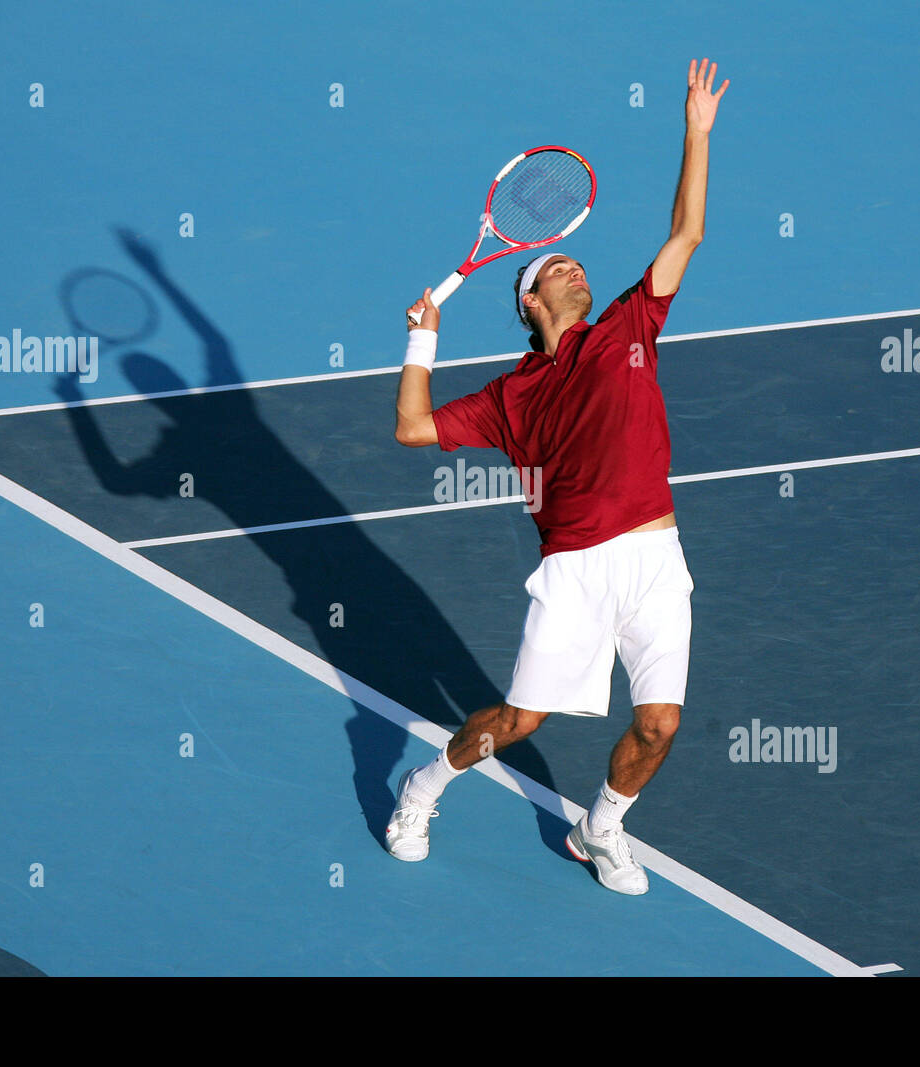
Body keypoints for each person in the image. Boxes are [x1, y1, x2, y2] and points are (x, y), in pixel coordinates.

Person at [388, 58, 729, 894]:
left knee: (660, 725)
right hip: (575, 570)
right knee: (515, 720)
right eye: (554, 270)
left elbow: (686, 234)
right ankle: (422, 789)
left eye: (575, 264)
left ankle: (600, 826)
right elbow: (412, 426)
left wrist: (696, 131)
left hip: (655, 557)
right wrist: (422, 341)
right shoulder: (508, 397)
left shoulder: (628, 325)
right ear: (530, 302)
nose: (573, 268)